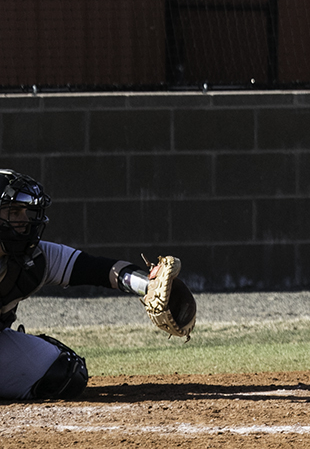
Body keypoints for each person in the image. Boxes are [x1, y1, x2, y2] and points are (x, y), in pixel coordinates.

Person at [0, 169, 196, 400]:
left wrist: (147, 285)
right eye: (14, 212)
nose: (25, 221)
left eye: (25, 211)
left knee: (65, 374)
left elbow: (100, 270)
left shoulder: (35, 257)